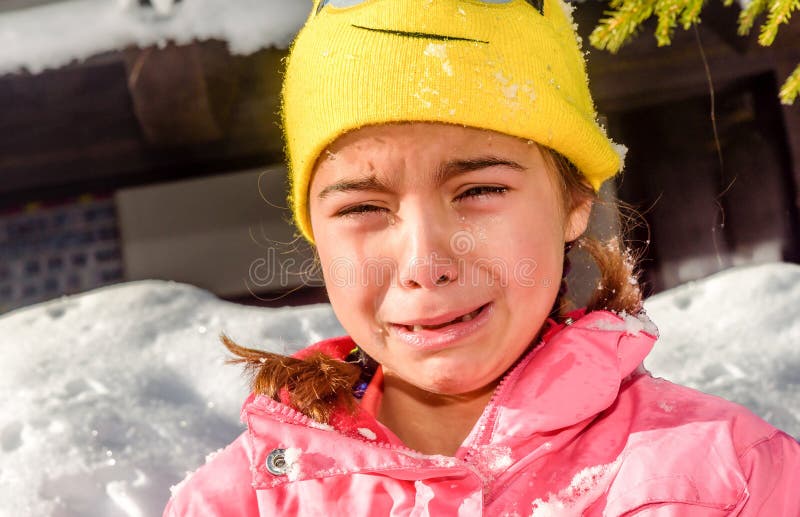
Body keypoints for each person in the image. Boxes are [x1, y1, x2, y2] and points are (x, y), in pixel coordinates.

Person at [164, 0, 800, 515]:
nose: (425, 262)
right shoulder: (233, 503)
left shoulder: (733, 480)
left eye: (480, 191)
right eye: (362, 207)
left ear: (575, 199)